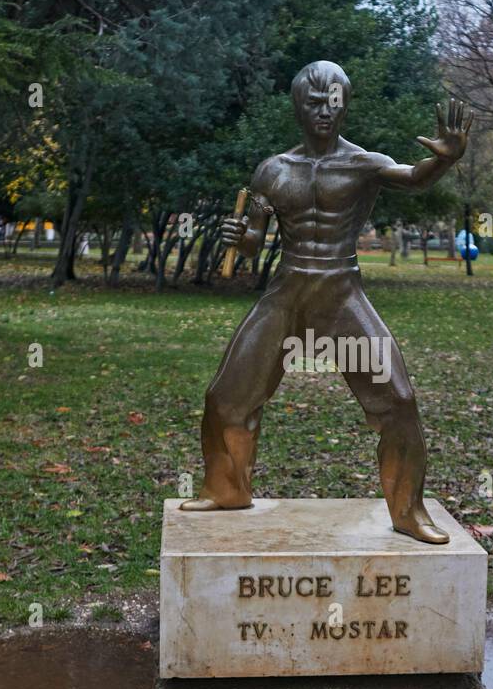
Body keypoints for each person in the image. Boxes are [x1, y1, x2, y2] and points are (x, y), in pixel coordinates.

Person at [180, 61, 472, 544]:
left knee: (398, 399)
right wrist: (240, 236)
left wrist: (444, 159)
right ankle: (226, 487)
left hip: (340, 293)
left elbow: (414, 176)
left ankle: (408, 511)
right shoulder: (273, 170)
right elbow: (253, 240)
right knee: (225, 396)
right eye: (314, 101)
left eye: (333, 99)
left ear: (345, 104)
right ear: (298, 106)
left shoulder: (364, 164)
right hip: (288, 291)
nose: (324, 110)